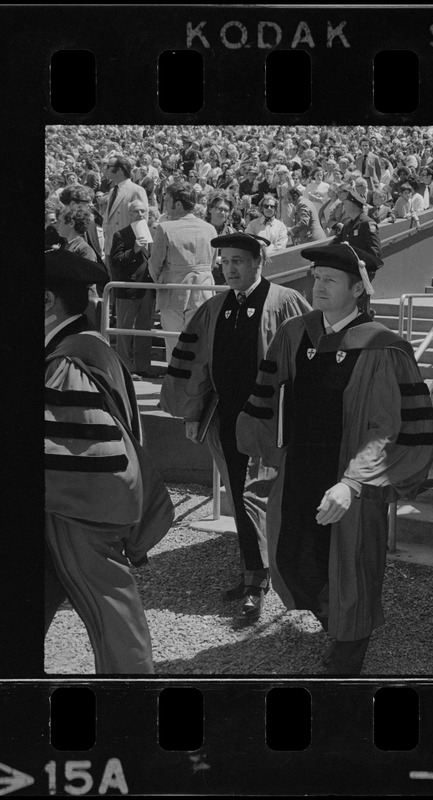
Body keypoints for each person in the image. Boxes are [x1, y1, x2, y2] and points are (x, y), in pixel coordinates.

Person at [236, 243, 433, 674]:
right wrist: (262, 447)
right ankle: (336, 621)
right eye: (316, 276)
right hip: (300, 472)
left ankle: (350, 648)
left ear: (357, 289)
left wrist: (354, 482)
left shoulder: (384, 348)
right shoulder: (295, 334)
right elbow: (269, 397)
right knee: (294, 557)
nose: (317, 285)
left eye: (330, 279)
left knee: (350, 567)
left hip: (350, 480)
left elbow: (390, 428)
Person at [161, 233, 310, 620]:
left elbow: (309, 360)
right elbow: (195, 366)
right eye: (225, 261)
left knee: (254, 497)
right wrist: (193, 414)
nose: (230, 268)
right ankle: (252, 573)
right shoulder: (215, 307)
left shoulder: (285, 302)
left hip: (269, 420)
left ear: (259, 262)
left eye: (238, 261)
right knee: (241, 494)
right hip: (225, 417)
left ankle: (259, 581)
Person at [45, 248, 174, 674]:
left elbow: (77, 450)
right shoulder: (86, 344)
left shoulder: (66, 360)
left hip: (77, 510)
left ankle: (131, 703)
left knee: (111, 611)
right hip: (83, 505)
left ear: (47, 300)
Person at [148, 180, 217, 363]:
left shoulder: (165, 228)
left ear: (177, 204)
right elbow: (211, 263)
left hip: (173, 293)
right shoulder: (210, 229)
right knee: (199, 345)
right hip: (203, 293)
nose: (165, 204)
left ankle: (175, 386)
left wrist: (160, 280)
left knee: (174, 345)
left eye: (167, 200)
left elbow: (155, 264)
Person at [109, 198, 155, 377]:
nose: (140, 214)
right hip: (127, 289)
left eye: (143, 211)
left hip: (147, 288)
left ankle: (143, 366)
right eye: (136, 211)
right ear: (130, 214)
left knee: (144, 329)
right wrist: (134, 250)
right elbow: (116, 260)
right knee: (124, 331)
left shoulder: (153, 233)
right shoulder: (121, 234)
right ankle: (124, 369)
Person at [102, 154, 148, 273]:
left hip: (126, 251)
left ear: (120, 170)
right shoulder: (113, 190)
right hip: (110, 247)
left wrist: (135, 249)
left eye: (109, 166)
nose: (105, 169)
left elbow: (142, 220)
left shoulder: (136, 190)